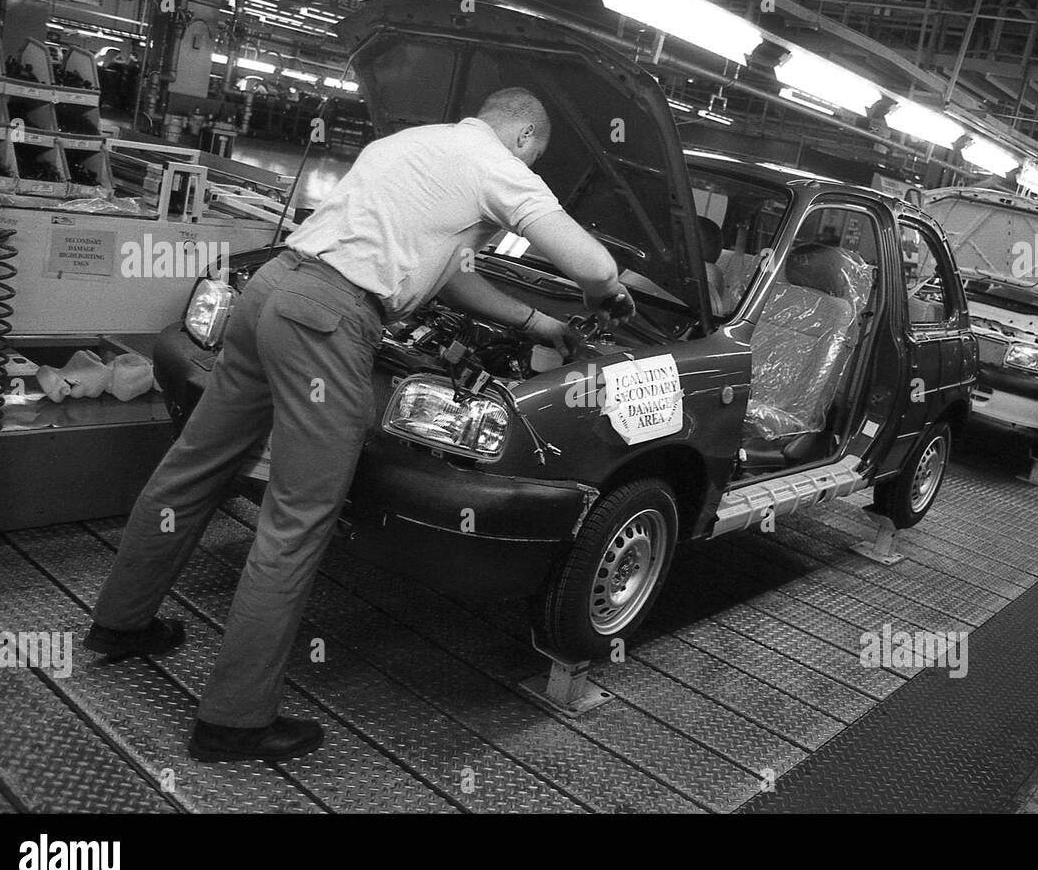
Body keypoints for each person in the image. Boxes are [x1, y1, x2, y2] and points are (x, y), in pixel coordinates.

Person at [82, 87, 633, 762]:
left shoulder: (406, 145)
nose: (533, 163)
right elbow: (595, 266)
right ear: (524, 138)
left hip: (271, 292)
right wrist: (607, 294)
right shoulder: (499, 164)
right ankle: (233, 722)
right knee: (297, 520)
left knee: (192, 467)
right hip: (329, 320)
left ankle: (120, 624)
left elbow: (453, 278)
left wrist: (540, 323)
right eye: (537, 155)